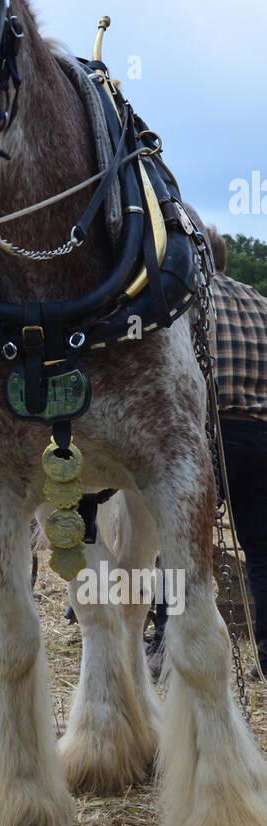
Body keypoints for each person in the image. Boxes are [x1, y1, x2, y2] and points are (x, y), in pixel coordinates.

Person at [148, 232, 267, 681]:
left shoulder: (186, 304)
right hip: (261, 437)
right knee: (261, 550)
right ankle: (266, 658)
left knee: (177, 548)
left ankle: (165, 647)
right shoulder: (259, 302)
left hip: (210, 436)